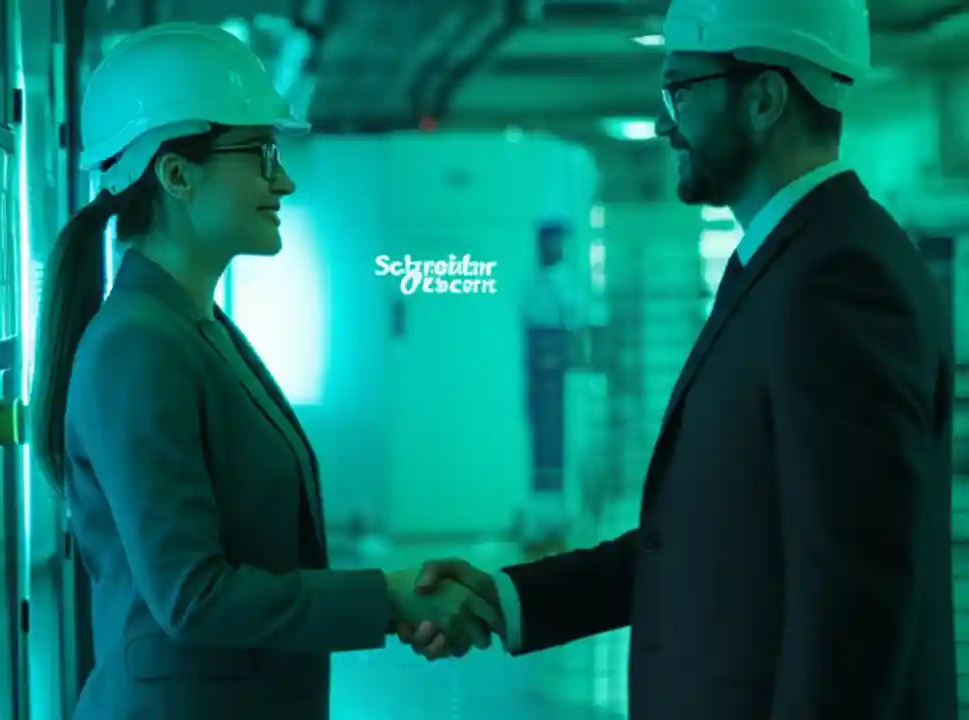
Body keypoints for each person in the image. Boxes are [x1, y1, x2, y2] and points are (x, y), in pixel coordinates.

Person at [399, 0, 959, 717]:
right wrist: (507, 597)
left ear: (763, 99)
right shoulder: (786, 265)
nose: (664, 122)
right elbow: (709, 542)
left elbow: (854, 602)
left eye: (680, 91)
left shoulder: (839, 280)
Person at [28, 22, 500, 720]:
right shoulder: (139, 346)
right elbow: (193, 597)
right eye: (259, 153)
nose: (284, 178)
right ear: (177, 174)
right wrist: (389, 595)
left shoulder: (192, 328)